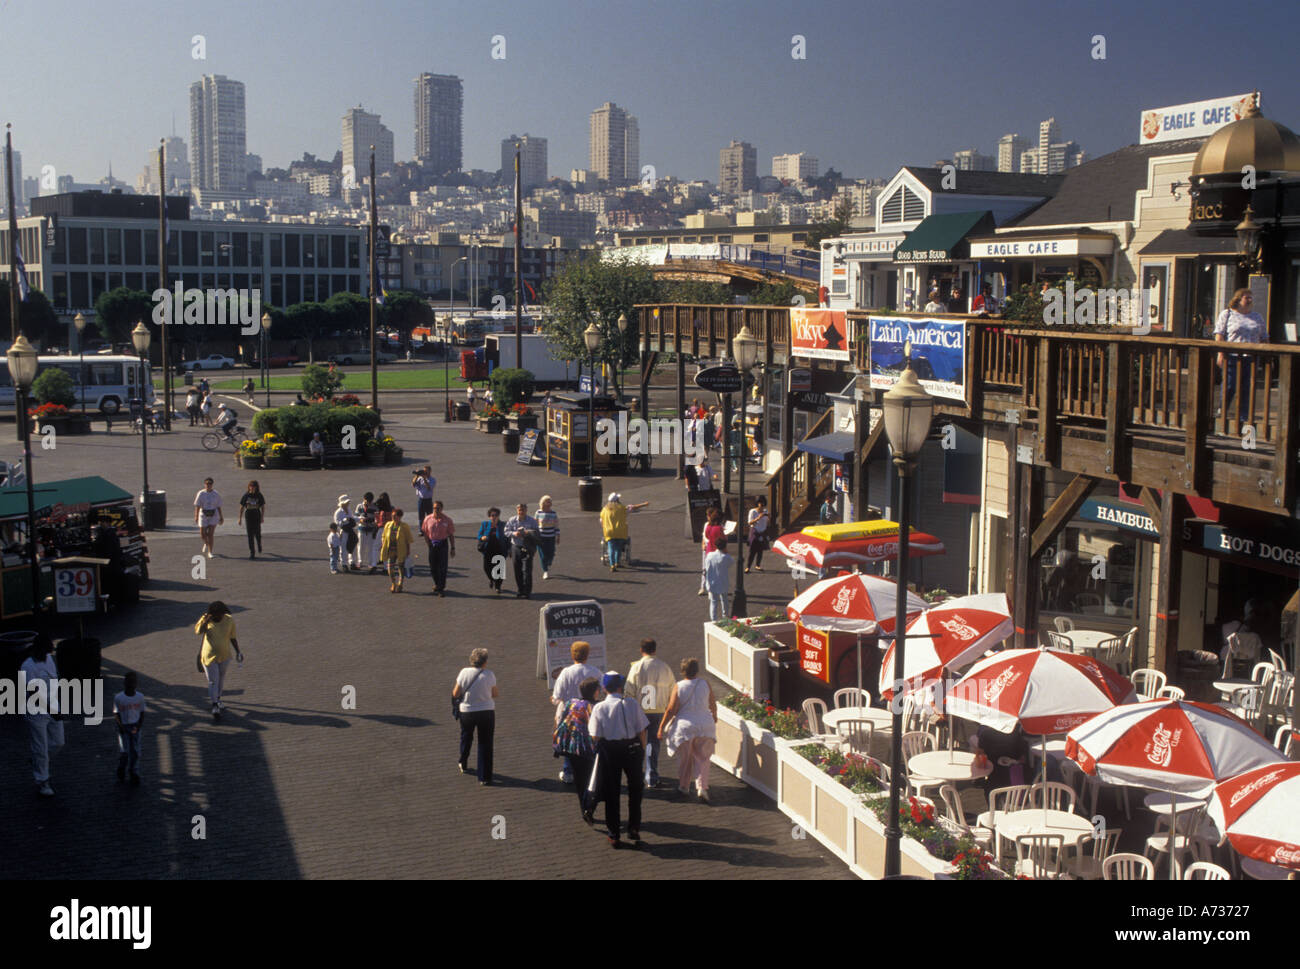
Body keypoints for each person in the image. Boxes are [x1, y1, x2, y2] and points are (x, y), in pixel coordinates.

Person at [589, 671, 649, 848]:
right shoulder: (631, 703)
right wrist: (642, 750)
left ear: (604, 688)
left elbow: (595, 736)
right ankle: (634, 828)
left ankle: (614, 833)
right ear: (620, 687)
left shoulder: (599, 708)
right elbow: (642, 730)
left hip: (610, 750)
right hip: (632, 749)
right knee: (635, 790)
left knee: (612, 792)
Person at [659, 658, 718, 802]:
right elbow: (712, 704)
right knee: (703, 759)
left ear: (682, 671)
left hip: (685, 728)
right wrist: (714, 717)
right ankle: (702, 787)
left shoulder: (679, 686)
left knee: (685, 759)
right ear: (697, 670)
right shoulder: (705, 684)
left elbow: (671, 709)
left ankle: (684, 786)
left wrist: (661, 727)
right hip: (705, 726)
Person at [625, 639, 675, 789]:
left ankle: (636, 775)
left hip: (639, 711)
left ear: (641, 650)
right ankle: (651, 776)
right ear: (655, 650)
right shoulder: (664, 667)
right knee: (653, 743)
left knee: (638, 743)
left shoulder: (636, 667)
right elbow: (673, 690)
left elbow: (629, 691)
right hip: (658, 710)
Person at [552, 640, 604, 784]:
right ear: (587, 654)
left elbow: (557, 697)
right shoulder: (595, 672)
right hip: (590, 713)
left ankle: (568, 772)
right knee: (592, 741)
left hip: (570, 714)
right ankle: (591, 772)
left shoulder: (566, 673)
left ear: (572, 654)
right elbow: (603, 692)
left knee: (570, 742)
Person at [1215, 288, 1268, 423]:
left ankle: (1244, 415)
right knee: (1229, 384)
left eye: (1251, 298)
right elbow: (1219, 334)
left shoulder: (1257, 316)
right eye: (1246, 298)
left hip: (1251, 357)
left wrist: (1266, 353)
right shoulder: (1227, 314)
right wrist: (1220, 353)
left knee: (1247, 386)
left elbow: (1264, 336)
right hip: (1231, 355)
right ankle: (1222, 409)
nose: (1250, 300)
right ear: (1238, 299)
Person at [554, 677, 601, 823]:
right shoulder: (595, 708)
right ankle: (590, 807)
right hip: (588, 749)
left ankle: (584, 808)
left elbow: (561, 720)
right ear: (595, 692)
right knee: (592, 780)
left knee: (580, 781)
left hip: (572, 748)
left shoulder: (571, 703)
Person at [21, 635, 64, 797]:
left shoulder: (48, 659)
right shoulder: (27, 667)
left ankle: (37, 760)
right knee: (41, 747)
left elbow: (54, 682)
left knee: (58, 742)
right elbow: (33, 694)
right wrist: (52, 710)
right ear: (38, 649)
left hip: (52, 706)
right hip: (36, 712)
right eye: (46, 651)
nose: (48, 654)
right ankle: (42, 780)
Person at [452, 648, 499, 786]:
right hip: (486, 712)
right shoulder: (489, 675)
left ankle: (463, 761)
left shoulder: (463, 672)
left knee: (466, 737)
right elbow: (495, 694)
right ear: (485, 662)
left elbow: (455, 693)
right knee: (485, 742)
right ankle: (484, 776)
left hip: (467, 712)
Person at [194, 601, 242, 720]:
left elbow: (233, 637)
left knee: (221, 679)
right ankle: (214, 705)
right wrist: (205, 622)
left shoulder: (229, 620)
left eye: (220, 614)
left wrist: (238, 652)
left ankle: (218, 699)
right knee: (213, 681)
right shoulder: (206, 619)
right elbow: (198, 632)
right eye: (216, 615)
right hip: (209, 656)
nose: (218, 617)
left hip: (224, 656)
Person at [113, 671, 146, 786]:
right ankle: (122, 768)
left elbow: (142, 713)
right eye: (129, 682)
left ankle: (133, 771)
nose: (132, 684)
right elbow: (116, 713)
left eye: (134, 682)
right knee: (125, 751)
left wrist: (139, 726)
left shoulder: (140, 697)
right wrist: (121, 726)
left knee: (135, 751)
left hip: (135, 725)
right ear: (125, 683)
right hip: (124, 726)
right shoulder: (119, 698)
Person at [420, 500, 456, 597]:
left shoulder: (447, 520)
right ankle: (437, 583)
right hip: (432, 544)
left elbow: (451, 535)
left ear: (442, 509)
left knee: (442, 567)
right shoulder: (428, 519)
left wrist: (453, 548)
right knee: (433, 567)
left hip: (443, 544)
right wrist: (429, 545)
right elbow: (425, 532)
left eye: (438, 508)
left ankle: (441, 588)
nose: (436, 510)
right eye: (434, 508)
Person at [504, 502, 539, 598]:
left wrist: (527, 533)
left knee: (527, 570)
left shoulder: (532, 521)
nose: (521, 511)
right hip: (516, 547)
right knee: (517, 570)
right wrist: (514, 534)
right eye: (520, 510)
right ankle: (520, 590)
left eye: (523, 510)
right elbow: (506, 532)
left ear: (526, 510)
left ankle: (527, 592)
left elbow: (537, 533)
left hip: (527, 548)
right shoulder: (512, 520)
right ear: (517, 510)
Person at [379, 508, 414, 592]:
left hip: (401, 550)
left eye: (395, 516)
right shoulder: (388, 525)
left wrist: (408, 550)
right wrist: (383, 543)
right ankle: (393, 583)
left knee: (401, 568)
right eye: (392, 516)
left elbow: (408, 539)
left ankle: (400, 584)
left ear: (400, 517)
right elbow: (383, 535)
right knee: (390, 568)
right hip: (390, 550)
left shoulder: (404, 526)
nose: (393, 517)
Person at [476, 507, 508, 593]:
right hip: (488, 550)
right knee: (487, 568)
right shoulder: (485, 524)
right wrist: (482, 537)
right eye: (492, 515)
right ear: (489, 516)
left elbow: (507, 537)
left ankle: (498, 586)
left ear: (498, 516)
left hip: (500, 550)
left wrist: (509, 550)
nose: (494, 517)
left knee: (499, 569)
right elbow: (479, 535)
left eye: (496, 515)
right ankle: (492, 579)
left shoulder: (503, 525)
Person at [193, 477, 223, 559]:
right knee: (202, 533)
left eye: (210, 484)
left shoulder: (216, 494)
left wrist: (221, 516)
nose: (208, 485)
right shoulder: (201, 493)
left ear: (212, 485)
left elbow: (219, 506)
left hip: (213, 514)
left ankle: (210, 551)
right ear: (204, 484)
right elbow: (197, 505)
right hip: (203, 514)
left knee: (210, 534)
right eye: (207, 484)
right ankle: (206, 542)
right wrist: (196, 516)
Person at [699, 506, 725, 596]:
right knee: (705, 568)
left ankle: (715, 587)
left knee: (716, 569)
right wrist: (703, 544)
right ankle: (703, 587)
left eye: (708, 515)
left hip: (716, 548)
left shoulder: (719, 526)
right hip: (708, 547)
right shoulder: (707, 525)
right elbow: (704, 535)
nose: (707, 517)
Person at [600, 492, 629, 572]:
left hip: (609, 532)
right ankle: (617, 562)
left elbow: (601, 520)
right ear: (617, 500)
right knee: (618, 548)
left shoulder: (605, 509)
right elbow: (627, 512)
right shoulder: (621, 507)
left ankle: (612, 565)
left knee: (611, 548)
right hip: (620, 531)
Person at [704, 543, 733, 621]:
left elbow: (706, 566)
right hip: (723, 582)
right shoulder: (725, 557)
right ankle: (726, 616)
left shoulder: (710, 555)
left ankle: (714, 619)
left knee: (713, 602)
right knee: (724, 600)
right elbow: (731, 562)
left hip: (712, 582)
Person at [237, 480, 266, 560]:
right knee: (250, 535)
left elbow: (263, 506)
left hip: (256, 514)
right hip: (249, 515)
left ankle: (259, 544)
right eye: (251, 486)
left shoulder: (259, 495)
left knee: (257, 533)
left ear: (256, 487)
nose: (252, 488)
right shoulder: (246, 495)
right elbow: (241, 507)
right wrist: (240, 518)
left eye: (254, 486)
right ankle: (252, 552)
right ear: (249, 487)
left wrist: (262, 517)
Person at [536, 495, 560, 580]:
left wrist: (558, 536)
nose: (549, 503)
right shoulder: (538, 512)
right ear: (543, 503)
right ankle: (545, 571)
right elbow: (535, 524)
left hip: (551, 536)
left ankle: (549, 562)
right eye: (547, 501)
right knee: (543, 555)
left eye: (550, 501)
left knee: (551, 553)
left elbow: (556, 525)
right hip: (541, 537)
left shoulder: (553, 513)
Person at [356, 492, 380, 573]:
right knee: (360, 547)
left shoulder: (375, 507)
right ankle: (360, 561)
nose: (368, 503)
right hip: (361, 529)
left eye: (370, 501)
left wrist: (371, 520)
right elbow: (356, 516)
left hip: (370, 530)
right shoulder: (359, 506)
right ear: (364, 499)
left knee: (371, 547)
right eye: (367, 501)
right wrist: (360, 519)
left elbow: (377, 519)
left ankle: (370, 563)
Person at [334, 495, 359, 571]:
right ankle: (344, 564)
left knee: (353, 546)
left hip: (350, 530)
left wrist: (359, 519)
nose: (348, 503)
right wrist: (344, 520)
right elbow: (337, 523)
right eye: (346, 502)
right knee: (343, 548)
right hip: (344, 531)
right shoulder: (338, 512)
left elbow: (352, 517)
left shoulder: (349, 509)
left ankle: (352, 562)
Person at [746, 496, 770, 574]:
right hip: (755, 531)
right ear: (757, 503)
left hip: (762, 531)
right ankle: (748, 566)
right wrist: (758, 518)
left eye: (763, 503)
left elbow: (767, 523)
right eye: (760, 503)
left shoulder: (766, 511)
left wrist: (769, 517)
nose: (761, 505)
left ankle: (758, 565)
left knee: (760, 550)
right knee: (752, 551)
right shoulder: (753, 511)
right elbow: (749, 522)